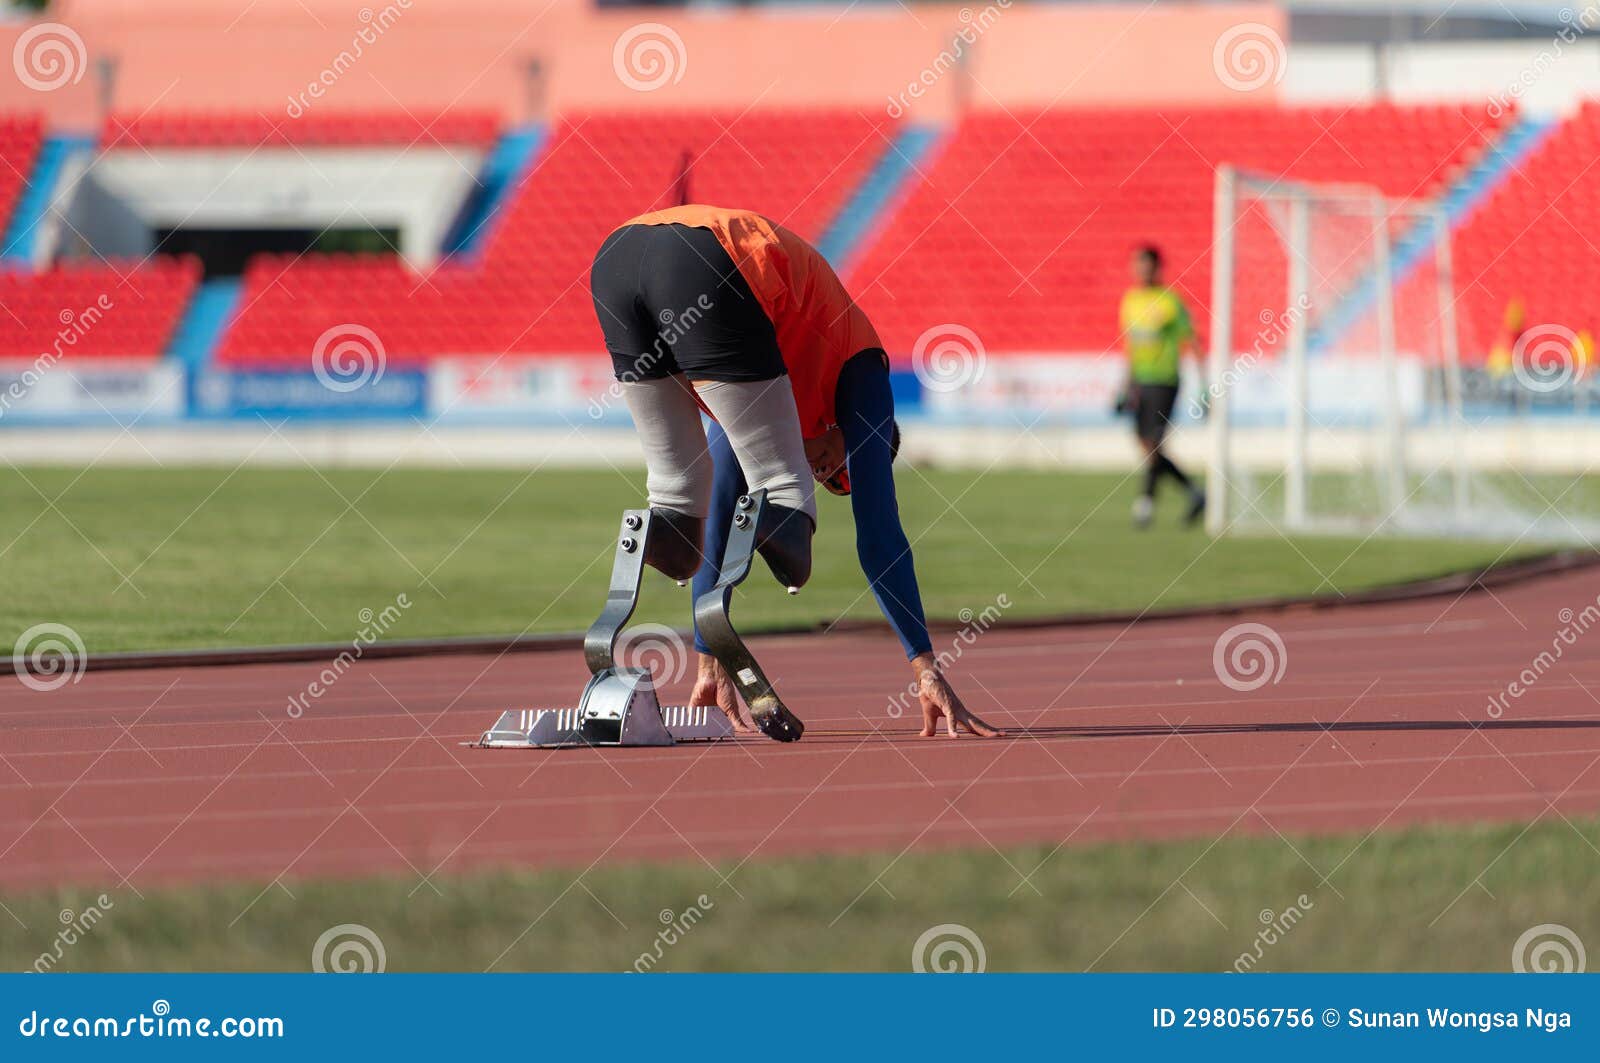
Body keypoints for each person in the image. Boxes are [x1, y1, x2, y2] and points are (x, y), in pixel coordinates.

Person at [589, 204, 1003, 740]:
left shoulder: (758, 406)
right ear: (850, 433)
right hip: (713, 259)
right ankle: (777, 522)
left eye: (830, 479)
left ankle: (660, 532)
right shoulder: (864, 374)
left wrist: (709, 654)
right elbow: (880, 533)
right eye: (836, 464)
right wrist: (925, 666)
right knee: (786, 496)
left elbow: (717, 511)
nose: (826, 471)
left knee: (682, 501)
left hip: (617, 261)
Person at [1116, 244, 1205, 529]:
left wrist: (1204, 385)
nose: (1140, 271)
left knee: (1154, 442)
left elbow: (1190, 339)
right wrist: (1124, 386)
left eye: (1145, 265)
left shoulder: (1170, 301)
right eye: (1136, 265)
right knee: (1144, 443)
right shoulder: (1130, 300)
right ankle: (1194, 492)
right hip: (1140, 381)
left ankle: (1145, 504)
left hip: (1165, 380)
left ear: (1157, 267)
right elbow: (1130, 346)